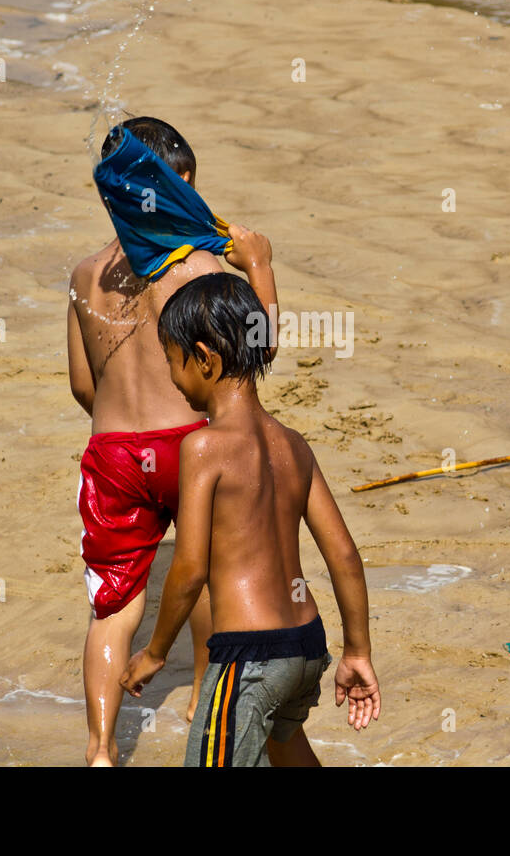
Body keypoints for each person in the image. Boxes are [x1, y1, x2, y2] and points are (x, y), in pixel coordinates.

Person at [68, 117, 277, 766]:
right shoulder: (196, 267)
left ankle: (101, 751)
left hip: (113, 454)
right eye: (183, 190)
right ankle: (199, 704)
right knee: (210, 574)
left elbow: (82, 385)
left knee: (112, 608)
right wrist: (262, 265)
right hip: (188, 445)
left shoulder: (83, 274)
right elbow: (256, 348)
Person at [119, 273, 380, 766]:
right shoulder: (293, 445)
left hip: (250, 657)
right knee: (286, 748)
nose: (173, 379)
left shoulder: (203, 447)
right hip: (305, 645)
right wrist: (357, 651)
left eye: (173, 362)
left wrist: (154, 652)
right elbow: (344, 554)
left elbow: (191, 567)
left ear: (204, 359)